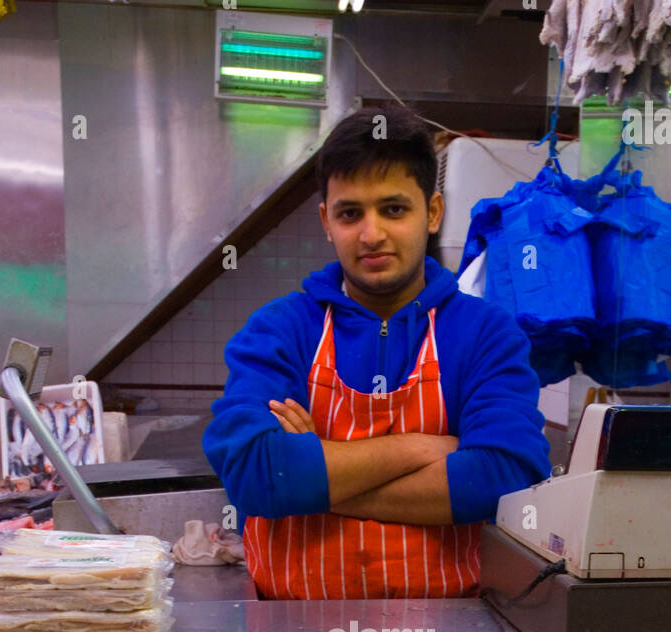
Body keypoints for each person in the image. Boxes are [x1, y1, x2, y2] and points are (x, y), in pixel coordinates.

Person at [203, 107, 550, 599]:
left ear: (432, 213)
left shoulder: (485, 334)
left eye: (393, 209)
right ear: (327, 220)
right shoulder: (280, 330)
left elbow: (503, 478)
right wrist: (421, 448)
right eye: (351, 213)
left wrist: (314, 477)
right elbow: (255, 474)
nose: (371, 234)